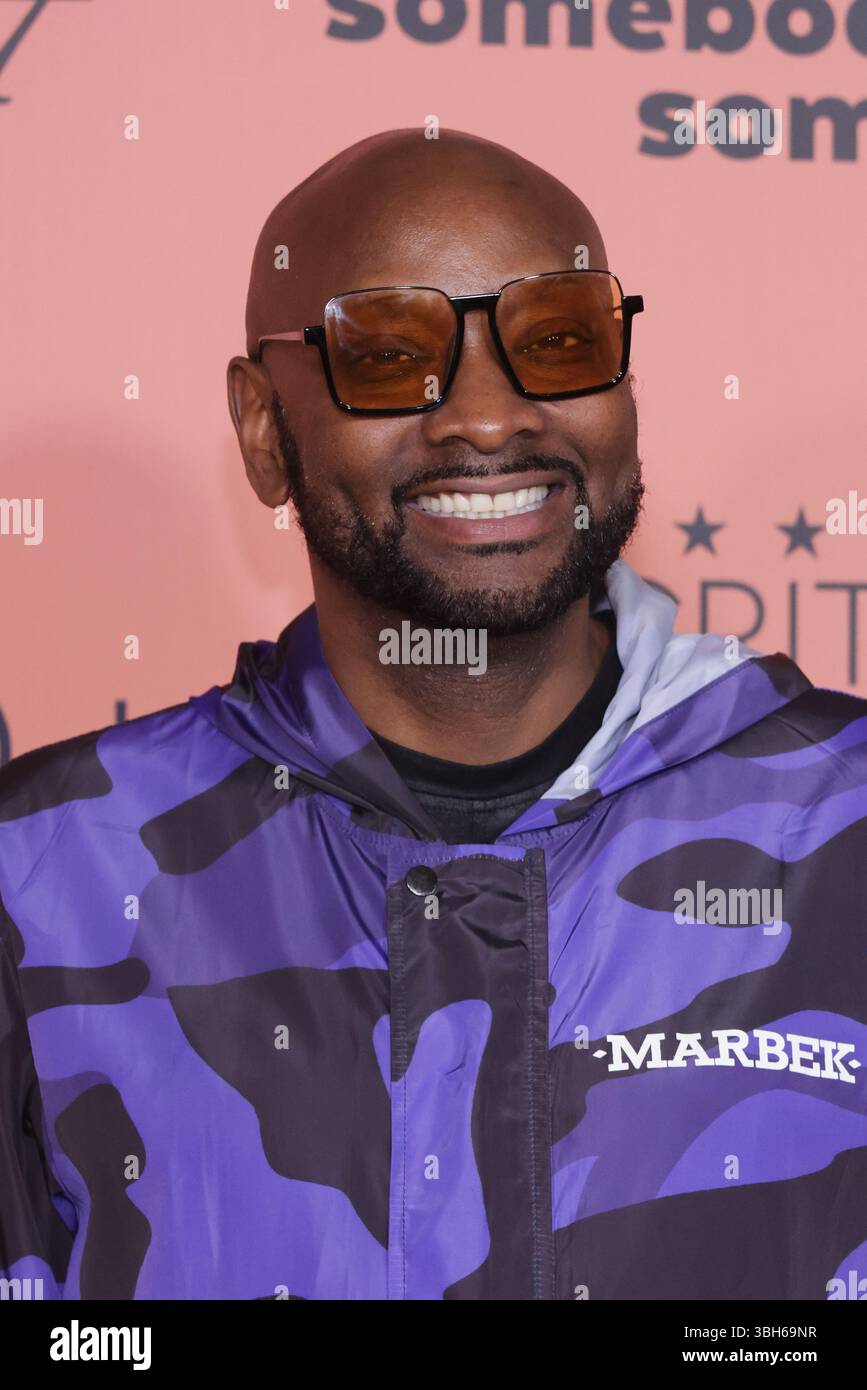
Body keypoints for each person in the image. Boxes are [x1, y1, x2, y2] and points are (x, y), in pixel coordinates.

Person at [1, 129, 865, 1302]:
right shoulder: (42, 872)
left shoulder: (842, 826)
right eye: (390, 352)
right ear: (263, 429)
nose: (490, 416)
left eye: (557, 338)